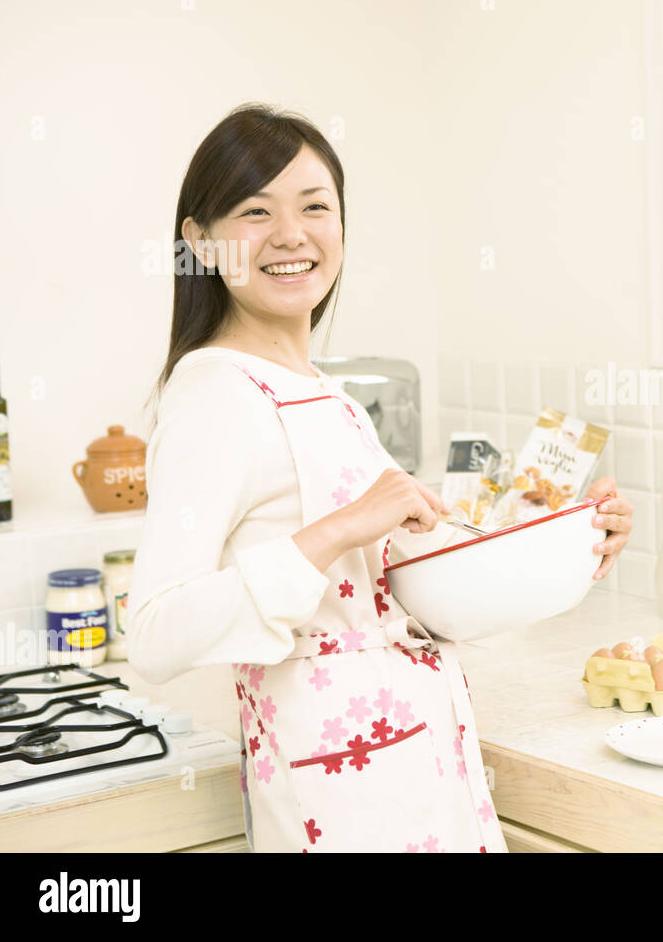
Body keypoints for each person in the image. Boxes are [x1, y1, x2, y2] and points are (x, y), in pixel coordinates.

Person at [127, 104, 634, 852]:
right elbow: (153, 633)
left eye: (314, 207)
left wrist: (569, 549)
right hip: (337, 799)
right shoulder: (214, 395)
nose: (291, 234)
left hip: (422, 768)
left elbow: (405, 594)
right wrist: (337, 530)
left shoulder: (324, 392)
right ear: (200, 243)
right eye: (254, 211)